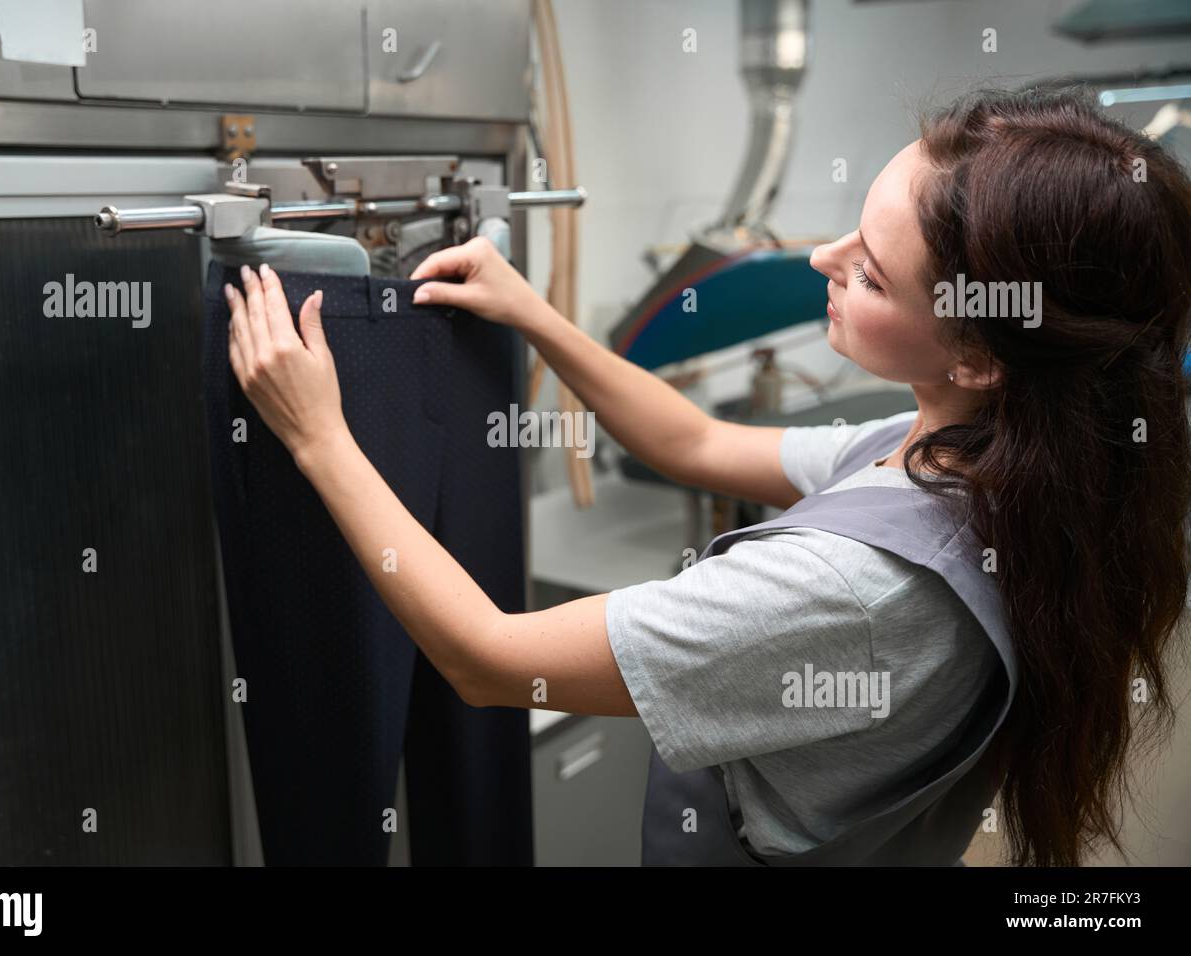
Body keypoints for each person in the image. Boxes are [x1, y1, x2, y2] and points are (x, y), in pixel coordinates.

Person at [220, 87, 1191, 866]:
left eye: (869, 273)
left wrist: (318, 436)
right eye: (848, 231)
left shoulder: (856, 590)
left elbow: (488, 658)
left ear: (977, 350)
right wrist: (535, 315)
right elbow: (692, 440)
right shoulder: (978, 451)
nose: (822, 257)